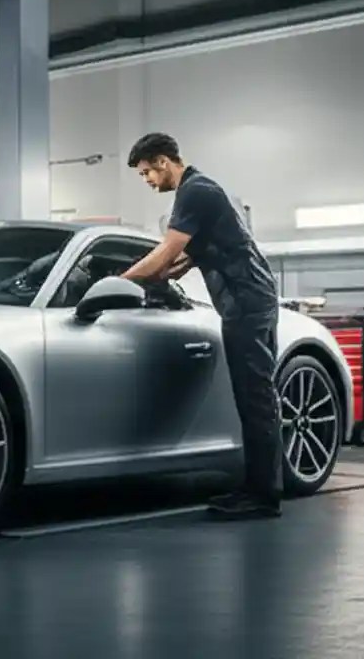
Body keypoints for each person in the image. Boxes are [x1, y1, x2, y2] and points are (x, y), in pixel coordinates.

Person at [118, 133, 283, 519]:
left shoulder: (195, 192)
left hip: (246, 303)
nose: (147, 181)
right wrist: (152, 277)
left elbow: (164, 257)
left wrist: (119, 281)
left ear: (162, 162)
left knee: (255, 398)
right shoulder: (200, 190)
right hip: (247, 301)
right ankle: (258, 489)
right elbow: (179, 263)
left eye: (146, 173)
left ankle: (262, 495)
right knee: (254, 397)